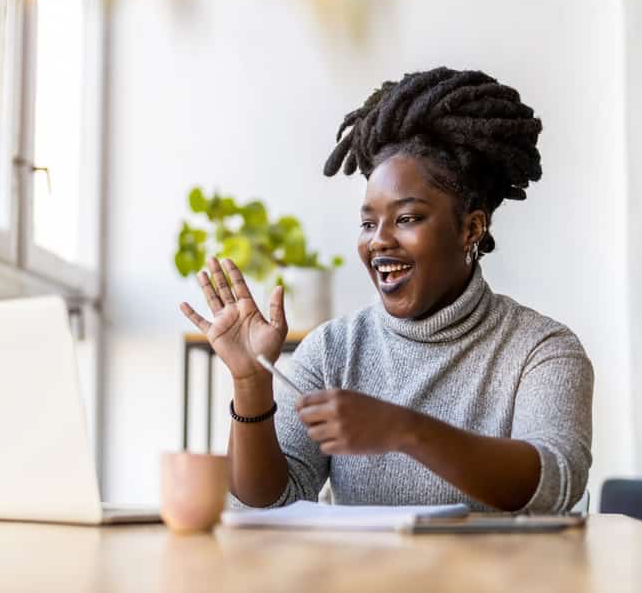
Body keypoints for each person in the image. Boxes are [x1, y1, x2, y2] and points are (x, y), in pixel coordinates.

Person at [179, 67, 593, 512]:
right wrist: (250, 382)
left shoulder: (541, 349)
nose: (379, 240)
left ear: (471, 228)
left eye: (407, 218)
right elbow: (269, 500)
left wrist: (405, 430)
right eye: (368, 223)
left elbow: (556, 485)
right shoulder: (333, 349)